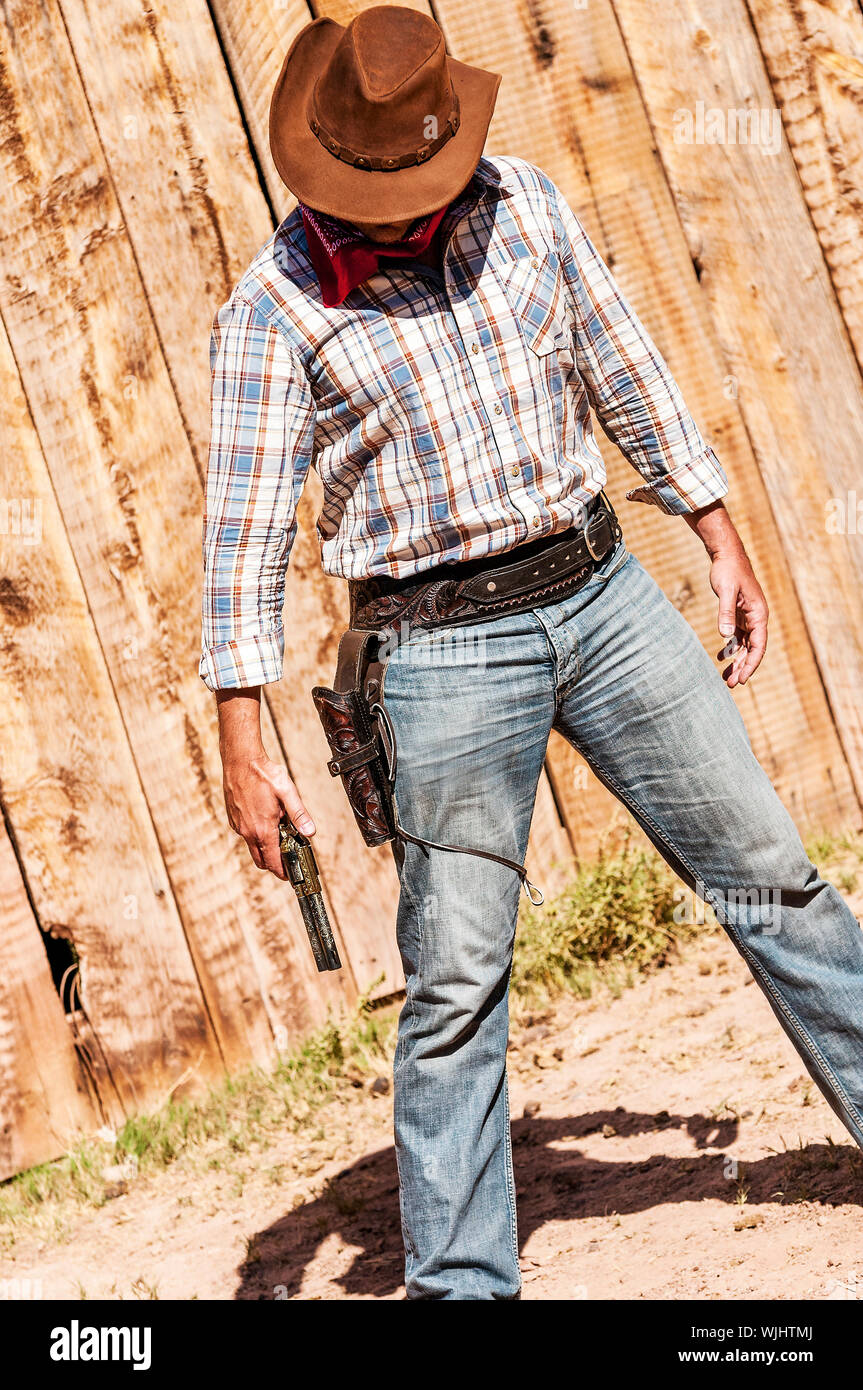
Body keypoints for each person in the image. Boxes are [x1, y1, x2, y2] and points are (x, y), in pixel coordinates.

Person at [200, 5, 863, 1300]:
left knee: (772, 874)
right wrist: (239, 734)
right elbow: (240, 535)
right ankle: (461, 1284)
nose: (422, 207)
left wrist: (714, 527)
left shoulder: (525, 202)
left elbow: (625, 361)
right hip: (439, 653)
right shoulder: (273, 308)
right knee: (455, 979)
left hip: (603, 593)